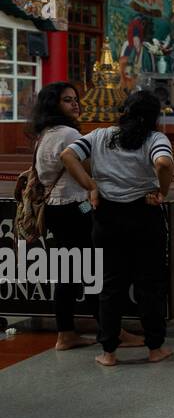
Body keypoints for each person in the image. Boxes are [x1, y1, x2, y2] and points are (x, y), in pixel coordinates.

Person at [61, 90, 174, 367]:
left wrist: (91, 186)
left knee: (111, 285)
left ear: (123, 111)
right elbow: (163, 163)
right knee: (150, 284)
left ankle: (109, 351)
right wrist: (161, 190)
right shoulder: (155, 138)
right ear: (154, 116)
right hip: (144, 215)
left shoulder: (100, 136)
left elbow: (67, 155)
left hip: (107, 217)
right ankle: (155, 348)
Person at [30, 83, 144, 351]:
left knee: (68, 272)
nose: (75, 104)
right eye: (67, 100)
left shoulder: (44, 134)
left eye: (75, 99)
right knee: (94, 272)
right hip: (76, 208)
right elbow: (90, 166)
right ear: (53, 105)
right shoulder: (69, 134)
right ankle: (111, 331)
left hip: (54, 209)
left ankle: (66, 332)